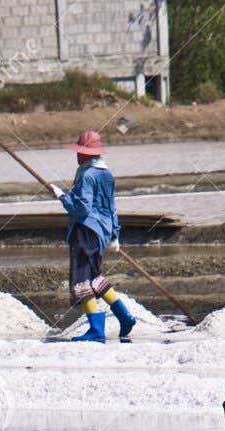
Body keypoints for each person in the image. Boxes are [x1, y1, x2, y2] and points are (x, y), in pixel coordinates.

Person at [54, 131, 135, 344]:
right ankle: (125, 317)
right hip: (101, 232)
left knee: (81, 280)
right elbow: (111, 207)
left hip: (85, 231)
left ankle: (96, 330)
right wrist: (114, 234)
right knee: (95, 278)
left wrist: (62, 197)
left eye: (80, 152)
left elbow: (81, 208)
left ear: (86, 154)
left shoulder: (87, 175)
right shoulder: (106, 174)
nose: (78, 156)